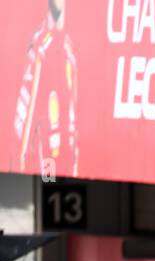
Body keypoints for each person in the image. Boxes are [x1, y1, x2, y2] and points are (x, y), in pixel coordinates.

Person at [14, 0, 78, 179]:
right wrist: (23, 155)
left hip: (67, 146)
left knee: (63, 185)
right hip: (48, 147)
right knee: (49, 185)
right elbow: (28, 104)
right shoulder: (41, 45)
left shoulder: (68, 45)